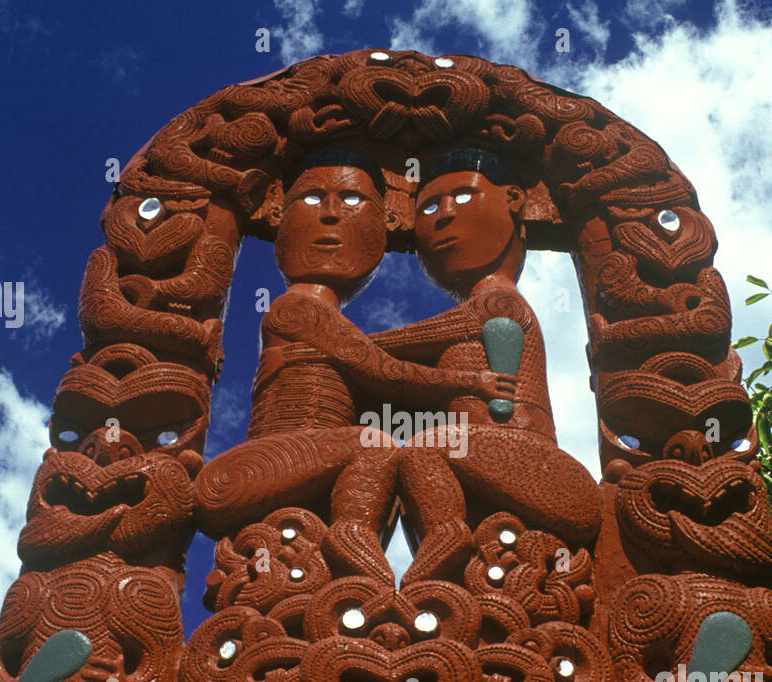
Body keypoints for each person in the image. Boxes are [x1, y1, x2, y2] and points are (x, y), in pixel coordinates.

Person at [194, 149, 508, 583]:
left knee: (401, 462)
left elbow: (370, 363)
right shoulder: (297, 309)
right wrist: (472, 381)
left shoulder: (331, 327)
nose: (329, 215)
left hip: (294, 470)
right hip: (245, 476)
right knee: (375, 446)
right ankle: (356, 549)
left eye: (352, 201)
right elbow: (383, 371)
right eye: (308, 200)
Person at [368, 148, 601, 583]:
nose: (443, 216)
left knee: (425, 449)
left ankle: (447, 539)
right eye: (430, 206)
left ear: (514, 199)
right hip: (494, 473)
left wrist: (316, 338)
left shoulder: (496, 303)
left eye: (462, 196)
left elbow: (380, 349)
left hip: (542, 473)